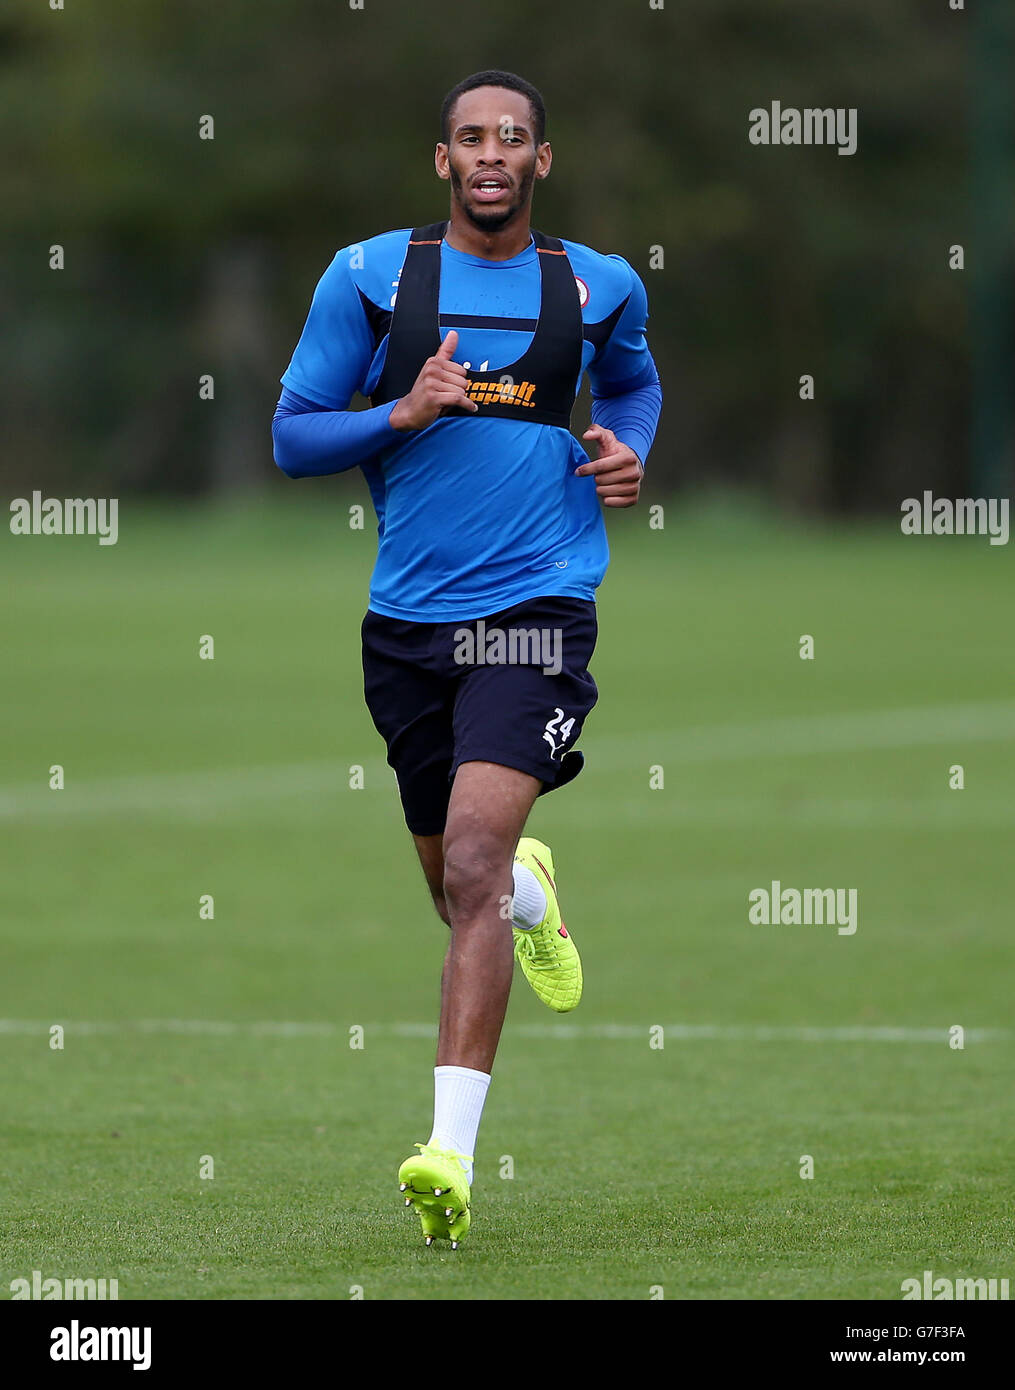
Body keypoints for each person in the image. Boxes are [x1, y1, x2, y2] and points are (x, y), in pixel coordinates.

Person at [273, 69, 662, 1249]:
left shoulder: (599, 285)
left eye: (513, 139)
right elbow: (292, 436)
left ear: (542, 160)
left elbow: (633, 381)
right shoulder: (371, 277)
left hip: (539, 605)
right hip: (406, 626)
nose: (491, 155)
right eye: (469, 139)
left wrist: (624, 451)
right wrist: (400, 415)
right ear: (441, 160)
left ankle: (447, 1151)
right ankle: (533, 899)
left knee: (476, 854)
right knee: (466, 888)